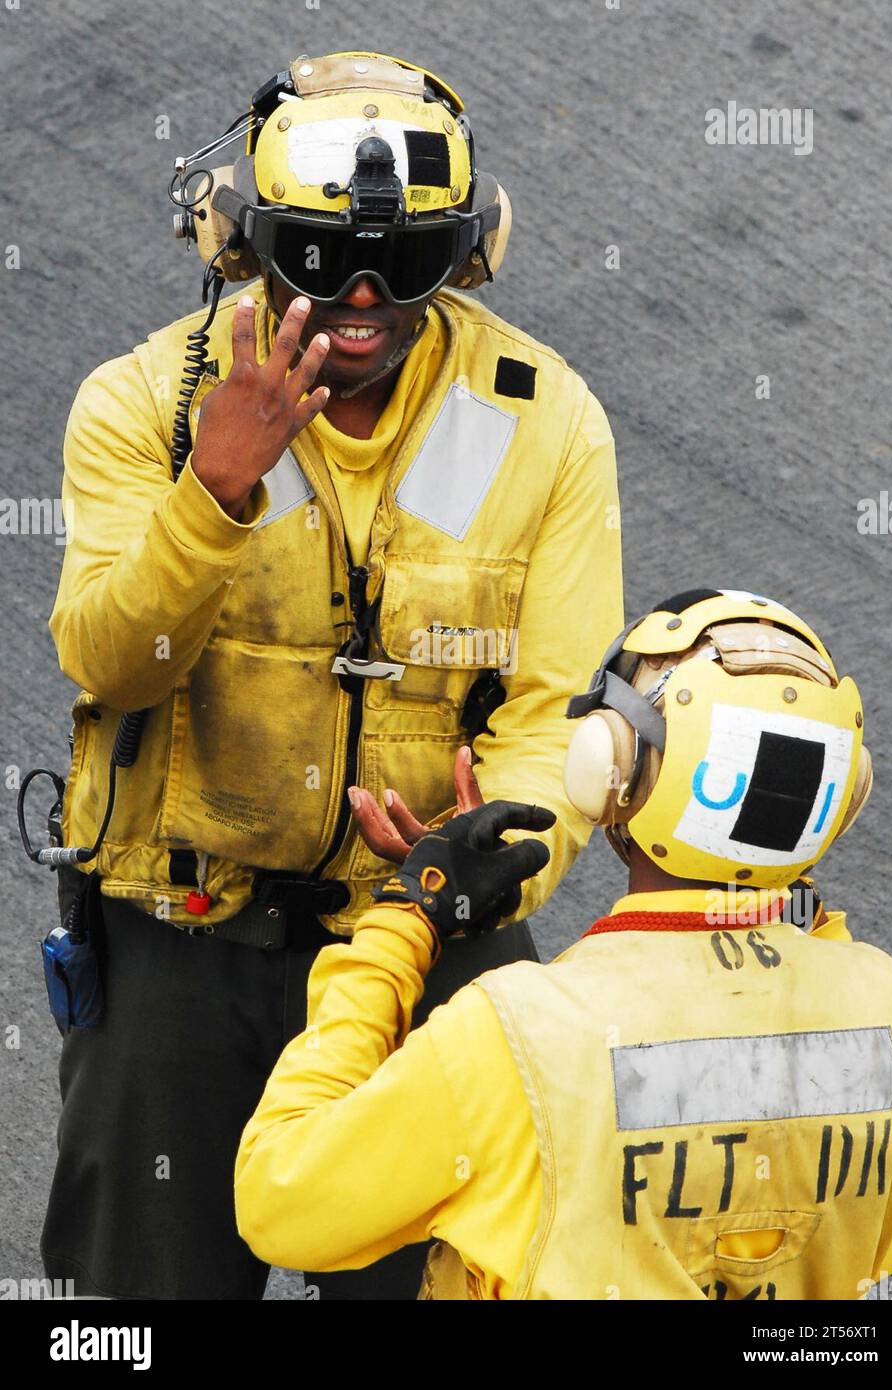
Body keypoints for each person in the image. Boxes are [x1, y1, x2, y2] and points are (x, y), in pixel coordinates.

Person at [41, 50, 623, 1299]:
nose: (361, 298)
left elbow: (560, 717)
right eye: (320, 258)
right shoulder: (141, 408)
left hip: (426, 931)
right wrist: (216, 489)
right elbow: (110, 661)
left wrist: (488, 853)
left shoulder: (549, 423)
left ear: (466, 256)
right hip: (180, 938)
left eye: (403, 266)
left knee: (473, 1278)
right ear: (246, 243)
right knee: (135, 1303)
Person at [235, 588, 892, 1300]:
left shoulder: (518, 1032)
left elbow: (281, 1202)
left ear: (613, 767)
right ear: (842, 794)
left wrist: (408, 915)